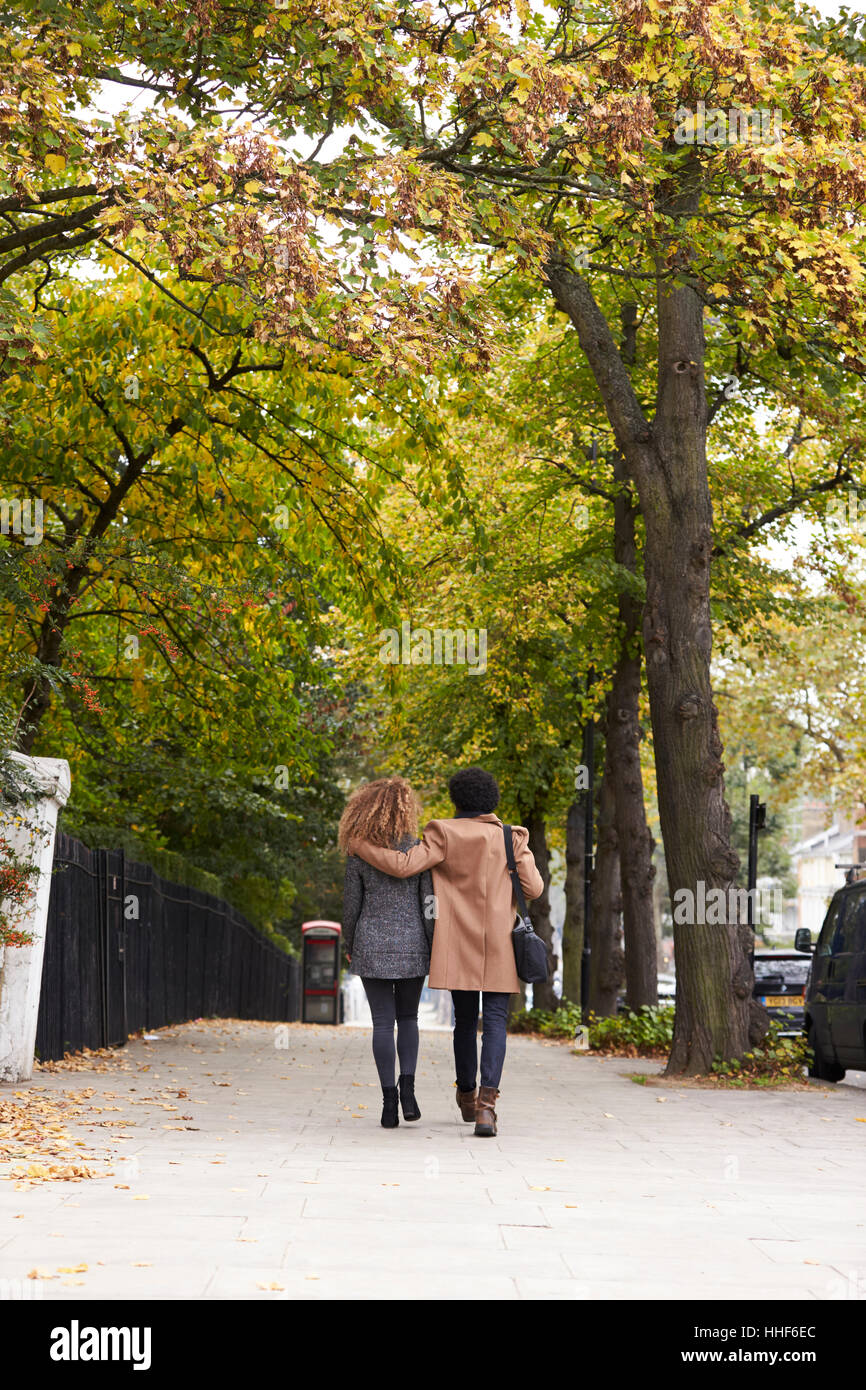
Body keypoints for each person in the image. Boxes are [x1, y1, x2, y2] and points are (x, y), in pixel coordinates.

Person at [348, 766, 543, 1137]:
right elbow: (533, 889)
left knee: (466, 1022)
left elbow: (404, 866)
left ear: (456, 800)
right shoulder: (510, 838)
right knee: (497, 1022)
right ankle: (487, 1108)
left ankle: (467, 1096)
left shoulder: (443, 833)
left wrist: (360, 846)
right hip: (500, 944)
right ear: (493, 800)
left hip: (458, 944)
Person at [339, 777, 434, 1129]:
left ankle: (389, 1102)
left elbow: (351, 907)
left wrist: (351, 944)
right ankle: (408, 1089)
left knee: (382, 1023)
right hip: (413, 945)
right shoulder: (419, 849)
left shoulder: (358, 851)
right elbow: (428, 904)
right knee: (409, 1018)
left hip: (371, 942)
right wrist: (431, 941)